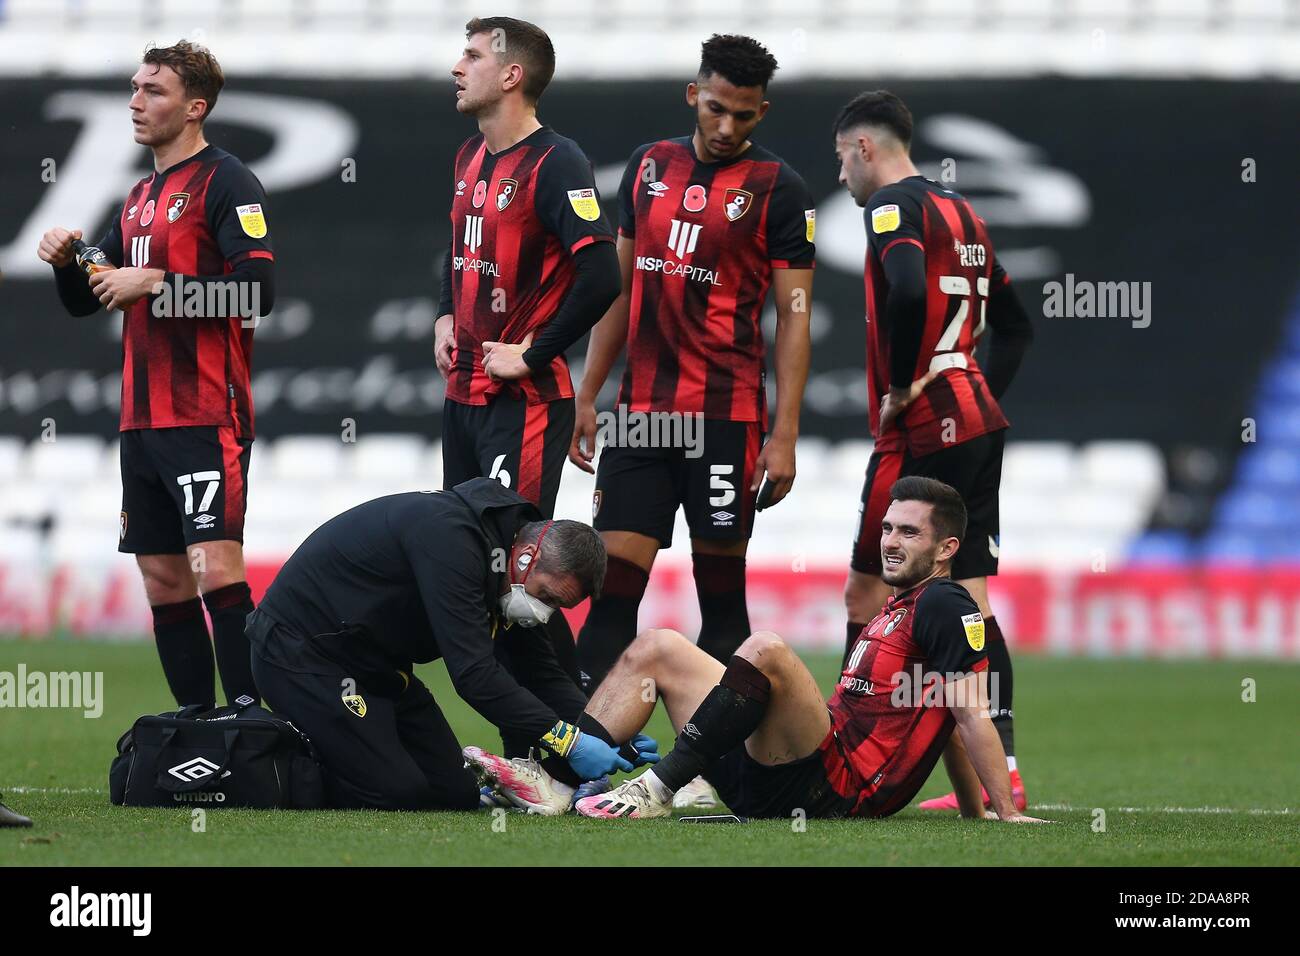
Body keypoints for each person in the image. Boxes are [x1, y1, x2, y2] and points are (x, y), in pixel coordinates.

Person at [483, 477, 1047, 822]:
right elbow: (941, 716)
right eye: (888, 529)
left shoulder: (947, 604)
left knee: (768, 649)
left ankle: (657, 787)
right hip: (789, 774)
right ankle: (556, 781)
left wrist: (1001, 812)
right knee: (657, 646)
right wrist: (974, 812)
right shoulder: (901, 604)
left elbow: (968, 712)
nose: (890, 542)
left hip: (836, 789)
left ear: (948, 547)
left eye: (909, 533)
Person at [569, 34, 816, 807]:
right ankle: (574, 760)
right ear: (692, 96)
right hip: (641, 416)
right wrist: (588, 389)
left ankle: (708, 771)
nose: (726, 126)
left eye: (743, 114)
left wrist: (784, 431)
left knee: (723, 606)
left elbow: (794, 317)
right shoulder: (647, 167)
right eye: (715, 108)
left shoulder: (782, 188)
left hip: (725, 419)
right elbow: (618, 289)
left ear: (761, 111)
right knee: (613, 596)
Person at [37, 40, 274, 711]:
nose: (138, 102)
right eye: (136, 89)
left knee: (215, 569)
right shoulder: (139, 196)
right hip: (141, 421)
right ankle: (199, 727)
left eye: (156, 91)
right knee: (164, 581)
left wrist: (162, 284)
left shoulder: (229, 181)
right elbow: (92, 297)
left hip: (206, 413)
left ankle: (257, 725)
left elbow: (257, 292)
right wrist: (69, 261)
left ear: (195, 107)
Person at [833, 90, 1034, 811]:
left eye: (840, 160)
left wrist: (898, 385)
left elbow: (910, 287)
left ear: (863, 149)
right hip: (978, 426)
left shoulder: (890, 208)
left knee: (865, 590)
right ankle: (997, 776)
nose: (840, 179)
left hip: (921, 431)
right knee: (970, 604)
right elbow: (1017, 325)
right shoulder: (967, 213)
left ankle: (852, 746)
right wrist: (975, 384)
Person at [435, 16, 622, 784]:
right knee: (481, 574)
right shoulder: (470, 155)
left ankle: (552, 749)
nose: (458, 66)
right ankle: (573, 742)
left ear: (512, 75)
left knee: (516, 579)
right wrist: (444, 313)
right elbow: (455, 251)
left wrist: (537, 352)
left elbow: (603, 274)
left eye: (473, 55)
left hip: (527, 405)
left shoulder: (557, 161)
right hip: (462, 397)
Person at [245, 477, 655, 811]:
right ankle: (267, 761)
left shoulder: (506, 565)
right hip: (303, 656)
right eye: (547, 598)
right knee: (396, 792)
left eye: (557, 607)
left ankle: (343, 751)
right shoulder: (451, 541)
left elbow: (542, 675)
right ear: (527, 556)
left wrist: (603, 731)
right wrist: (566, 740)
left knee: (454, 794)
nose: (543, 614)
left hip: (378, 668)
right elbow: (474, 675)